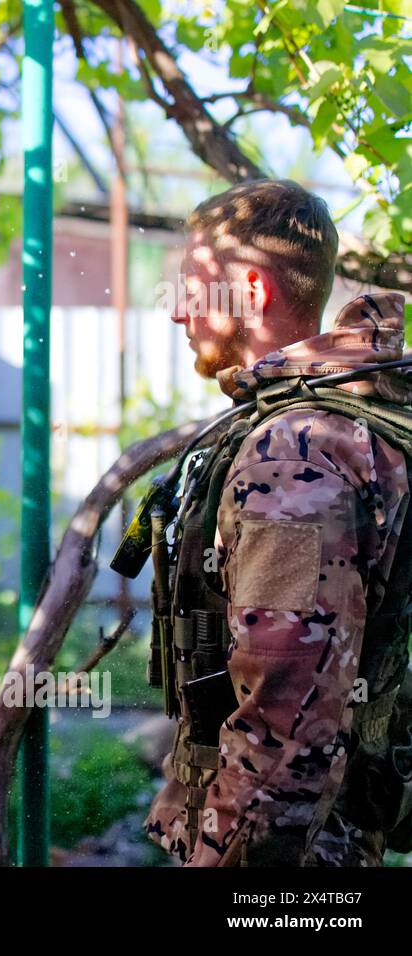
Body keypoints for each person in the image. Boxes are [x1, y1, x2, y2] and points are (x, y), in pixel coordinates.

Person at [140, 178, 412, 866]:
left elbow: (285, 727)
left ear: (252, 293)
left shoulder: (296, 452)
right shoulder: (316, 424)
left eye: (191, 289)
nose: (177, 313)